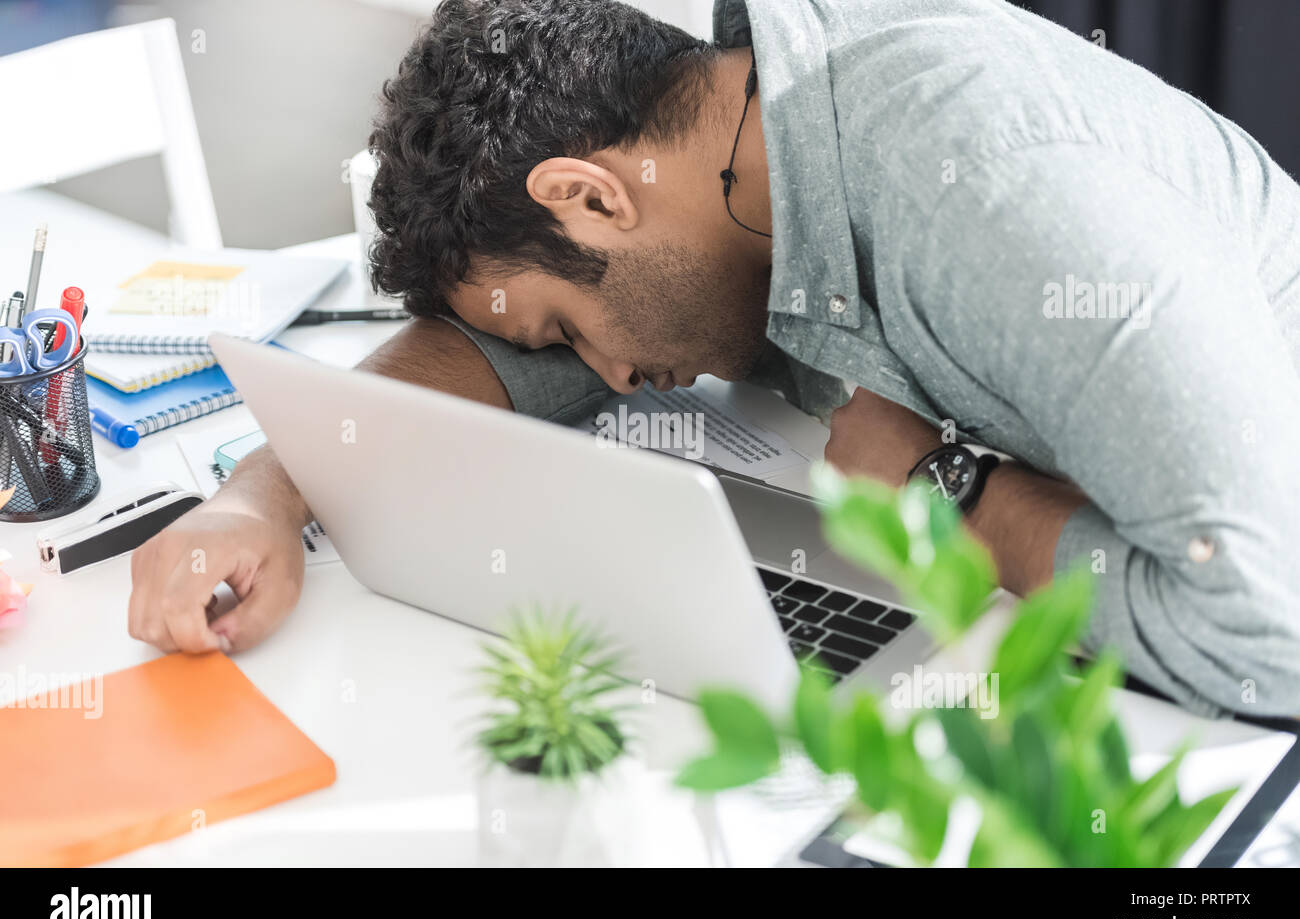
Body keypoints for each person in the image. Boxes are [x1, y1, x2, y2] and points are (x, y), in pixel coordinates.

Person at [129, 0, 1300, 718]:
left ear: (589, 197)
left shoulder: (986, 196)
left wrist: (951, 492)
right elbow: (473, 354)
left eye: (565, 329)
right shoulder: (731, 153)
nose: (608, 374)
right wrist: (261, 495)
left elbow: (1270, 639)